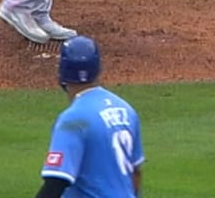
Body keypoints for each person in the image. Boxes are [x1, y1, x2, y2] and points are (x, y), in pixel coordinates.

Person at [34, 36, 144, 198]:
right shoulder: (125, 109)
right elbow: (135, 173)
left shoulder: (73, 119)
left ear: (62, 71)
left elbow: (56, 182)